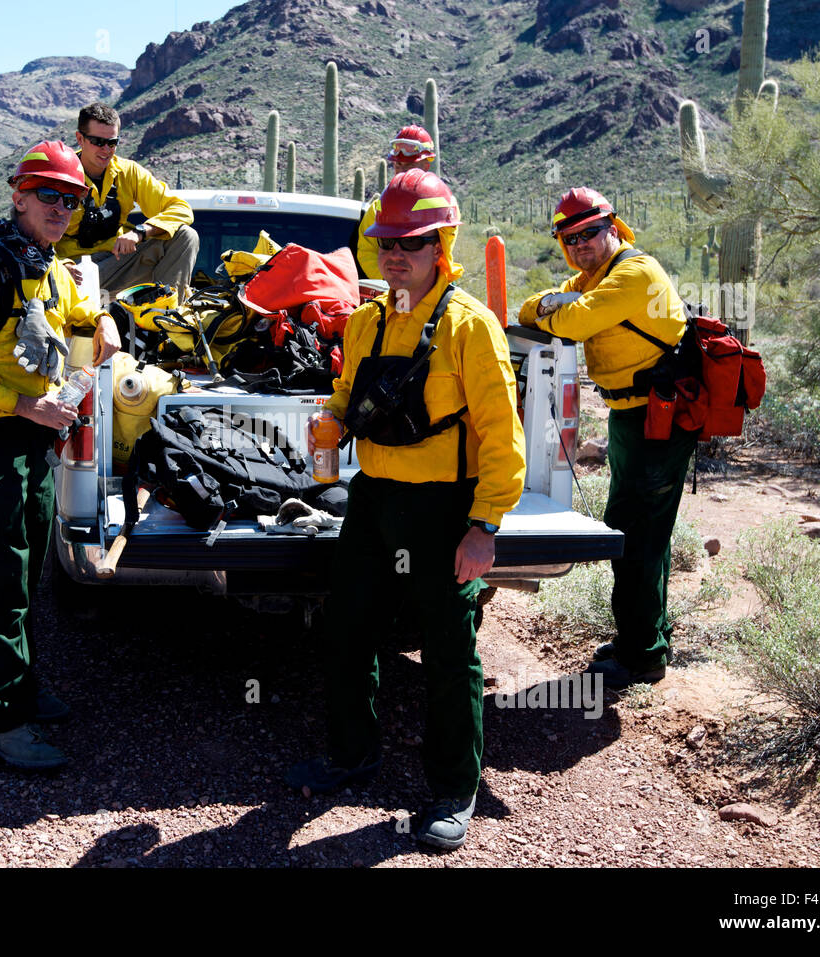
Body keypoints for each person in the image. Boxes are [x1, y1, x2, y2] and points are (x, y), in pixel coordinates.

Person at [289, 170, 526, 851]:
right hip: (374, 498)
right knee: (346, 628)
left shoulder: (468, 327)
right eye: (388, 241)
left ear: (442, 244)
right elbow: (345, 394)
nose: (398, 254)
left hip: (444, 506)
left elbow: (501, 436)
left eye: (414, 242)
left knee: (449, 651)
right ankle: (352, 754)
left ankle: (453, 789)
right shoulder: (364, 322)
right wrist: (332, 421)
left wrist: (484, 525)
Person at [0, 140, 120, 770]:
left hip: (35, 442)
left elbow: (81, 322)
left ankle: (26, 689)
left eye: (71, 200)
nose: (60, 208)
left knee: (29, 573)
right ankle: (1, 725)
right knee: (3, 579)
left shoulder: (51, 269)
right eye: (48, 196)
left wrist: (105, 322)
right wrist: (24, 405)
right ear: (17, 196)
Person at [518, 187, 692, 688]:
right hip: (632, 418)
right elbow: (534, 307)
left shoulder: (634, 273)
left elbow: (573, 321)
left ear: (613, 227)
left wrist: (562, 303)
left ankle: (641, 656)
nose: (580, 246)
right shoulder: (597, 276)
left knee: (636, 533)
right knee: (641, 529)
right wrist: (556, 298)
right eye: (568, 239)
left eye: (590, 233)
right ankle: (645, 638)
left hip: (657, 420)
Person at [56, 102, 199, 299]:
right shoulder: (59, 177)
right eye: (98, 141)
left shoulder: (128, 172)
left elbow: (181, 209)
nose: (106, 149)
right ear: (80, 138)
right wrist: (62, 265)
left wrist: (140, 232)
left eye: (112, 142)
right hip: (73, 273)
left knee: (185, 236)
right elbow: (34, 232)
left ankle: (165, 319)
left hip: (116, 263)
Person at [355, 125, 438, 281]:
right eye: (398, 165)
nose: (402, 170)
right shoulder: (379, 207)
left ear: (426, 165)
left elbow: (444, 252)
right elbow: (367, 251)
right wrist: (390, 282)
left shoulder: (439, 204)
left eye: (409, 165)